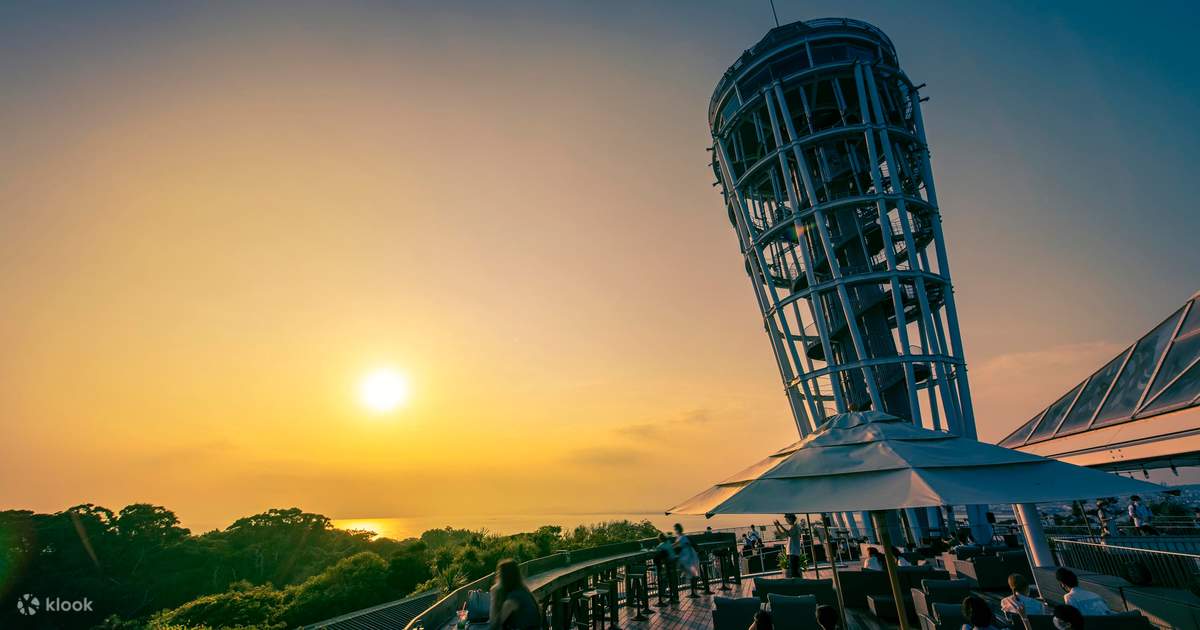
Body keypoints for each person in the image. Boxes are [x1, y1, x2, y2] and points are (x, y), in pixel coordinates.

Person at [488, 559, 542, 630]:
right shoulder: (523, 590)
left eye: (499, 575)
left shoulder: (512, 600)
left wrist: (493, 597)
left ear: (505, 577)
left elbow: (494, 626)